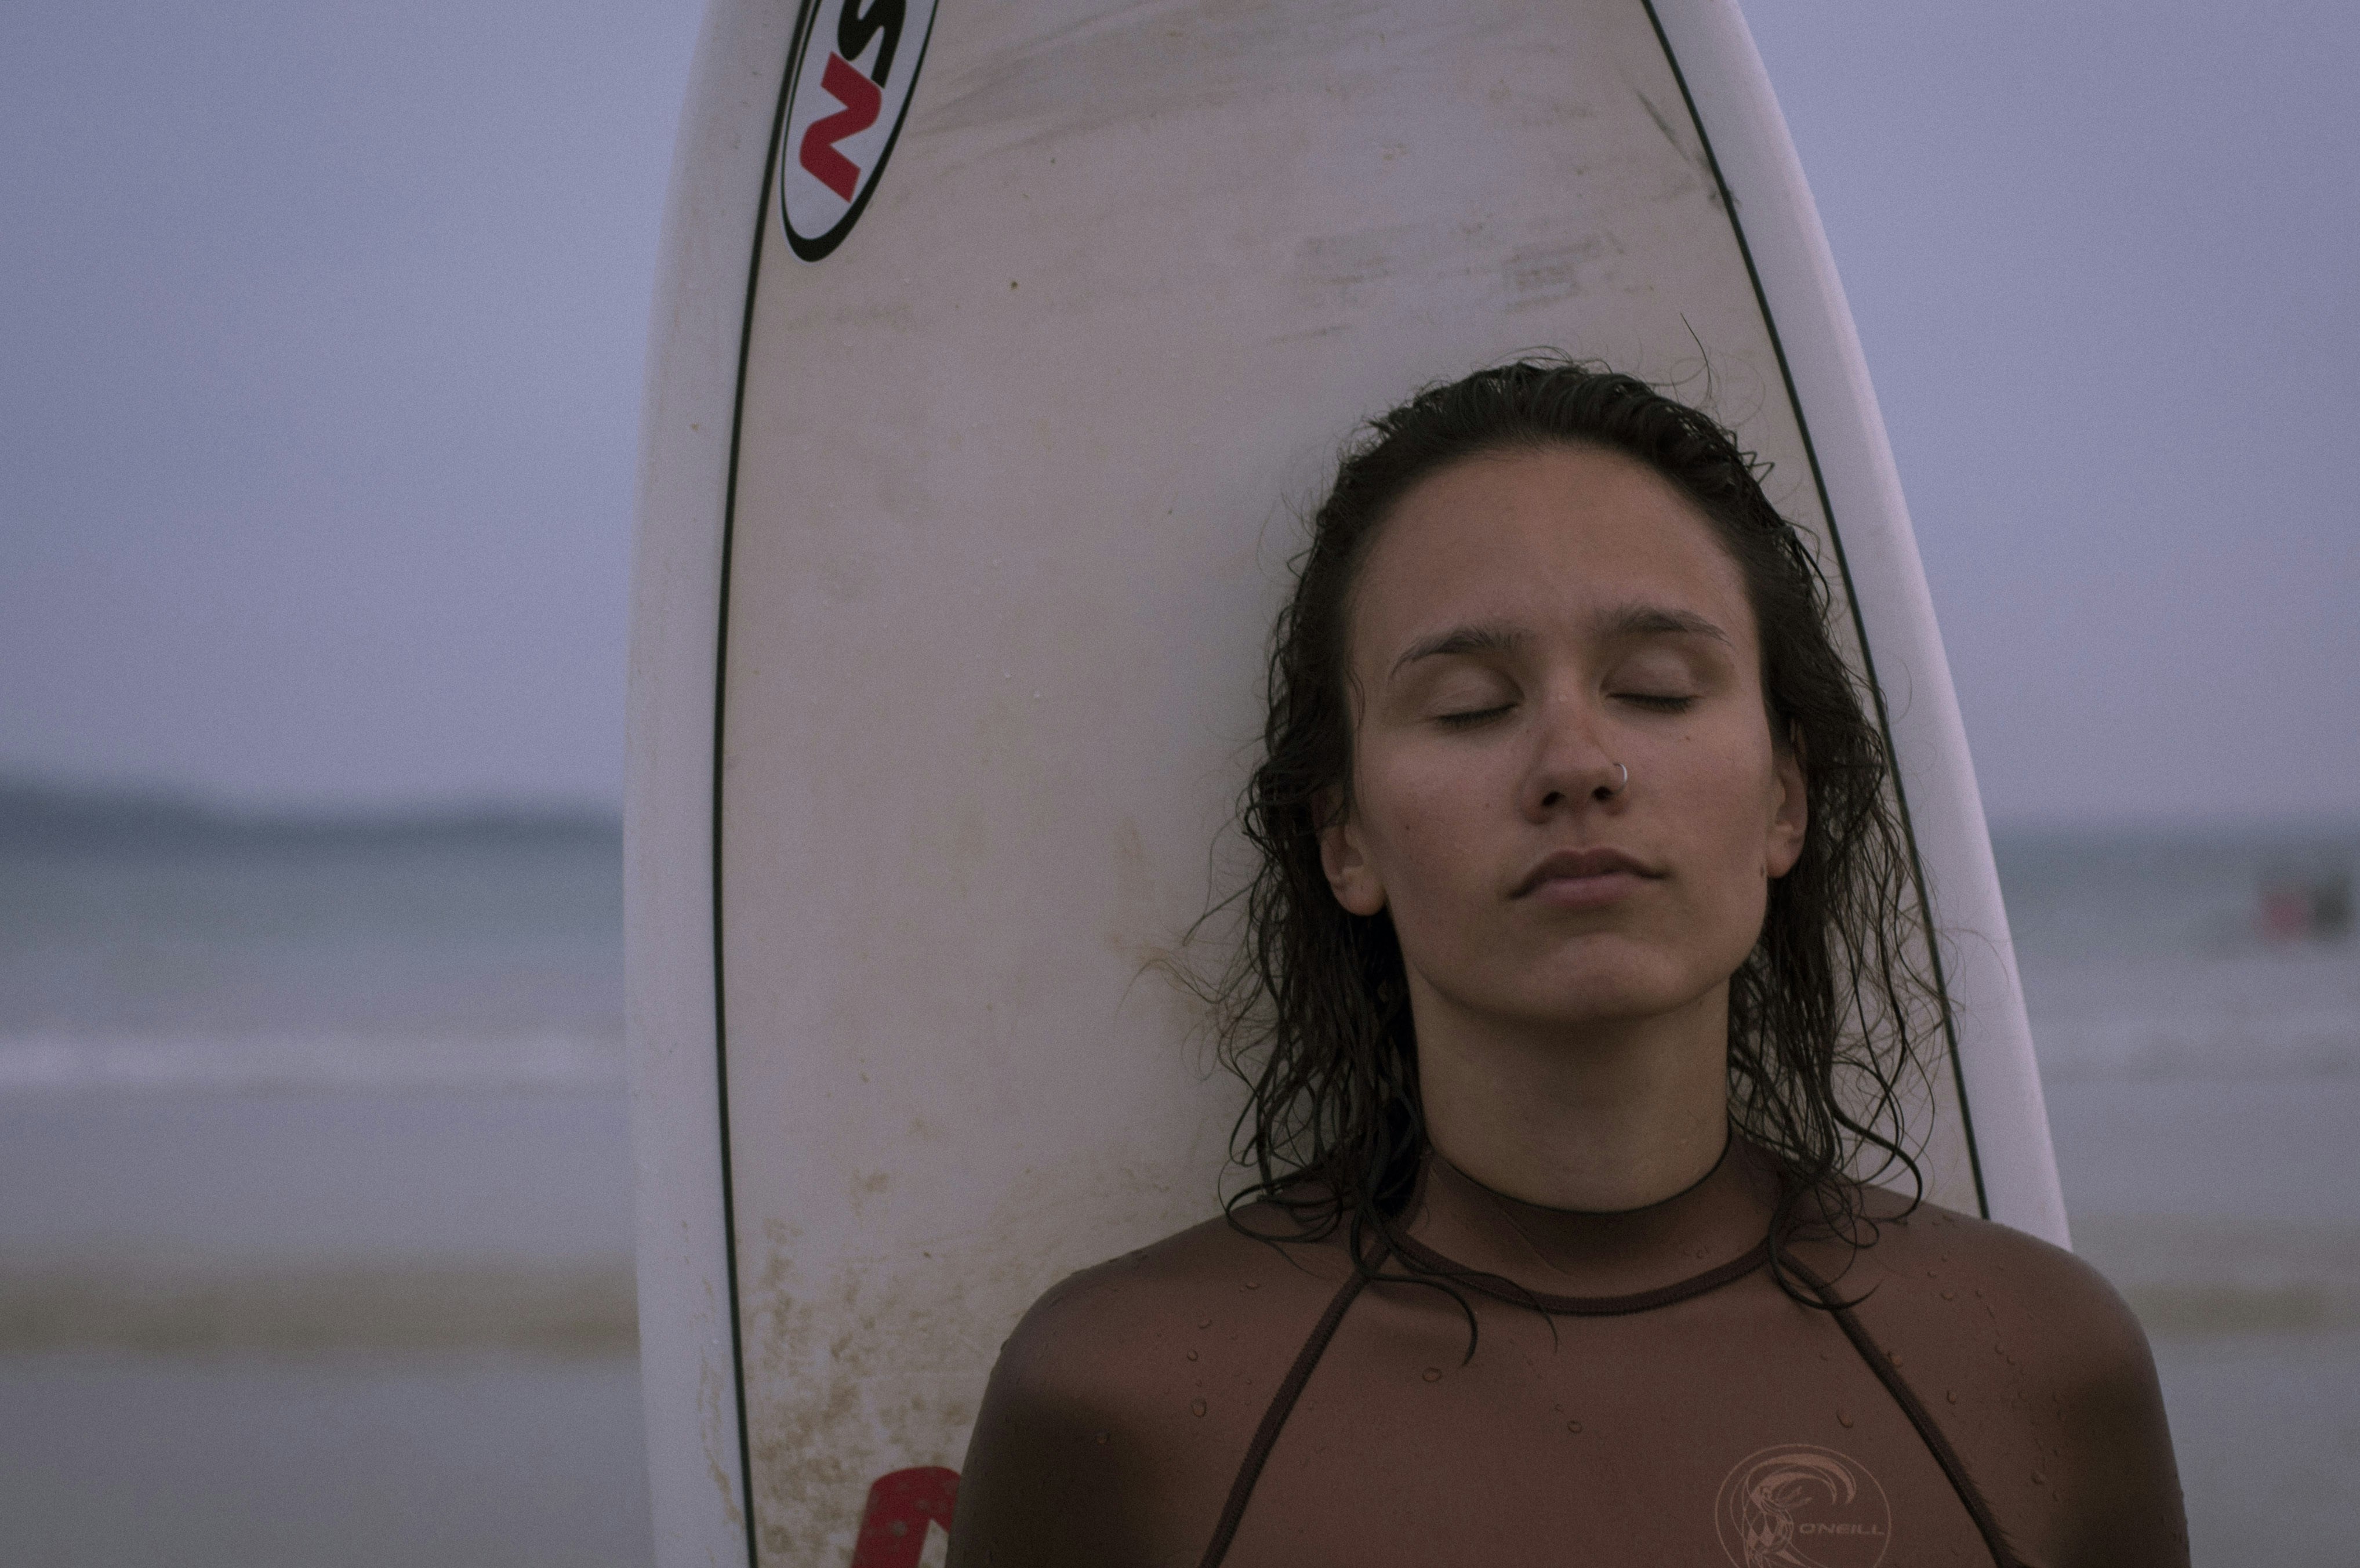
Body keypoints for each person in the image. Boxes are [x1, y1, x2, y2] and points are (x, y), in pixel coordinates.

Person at [948, 361, 2185, 1567]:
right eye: (1472, 706)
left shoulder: (2037, 1370)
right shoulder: (1126, 1406)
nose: (1576, 759)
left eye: (1654, 688)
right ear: (1344, 836)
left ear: (1784, 802)